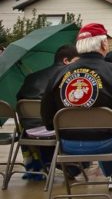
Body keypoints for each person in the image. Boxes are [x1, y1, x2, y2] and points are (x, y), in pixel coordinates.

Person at [41, 23, 112, 190]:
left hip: (66, 143)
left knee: (108, 129)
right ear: (104, 44)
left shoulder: (58, 74)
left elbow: (47, 120)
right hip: (107, 142)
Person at [16, 44, 79, 180]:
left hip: (28, 131)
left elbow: (18, 101)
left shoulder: (31, 77)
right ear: (66, 61)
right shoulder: (67, 78)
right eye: (77, 61)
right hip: (53, 129)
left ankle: (41, 165)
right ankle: (73, 168)